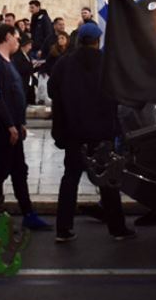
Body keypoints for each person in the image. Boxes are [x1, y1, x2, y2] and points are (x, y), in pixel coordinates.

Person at [48, 22, 134, 242]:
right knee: (107, 179)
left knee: (70, 179)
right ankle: (117, 228)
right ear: (97, 41)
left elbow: (52, 92)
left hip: (74, 133)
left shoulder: (64, 64)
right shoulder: (107, 64)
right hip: (101, 133)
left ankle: (63, 228)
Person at [0, 24, 50, 231]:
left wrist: (19, 124)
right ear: (8, 36)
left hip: (13, 128)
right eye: (17, 38)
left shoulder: (8, 62)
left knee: (19, 171)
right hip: (0, 128)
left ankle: (28, 213)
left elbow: (14, 94)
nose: (18, 42)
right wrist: (9, 124)